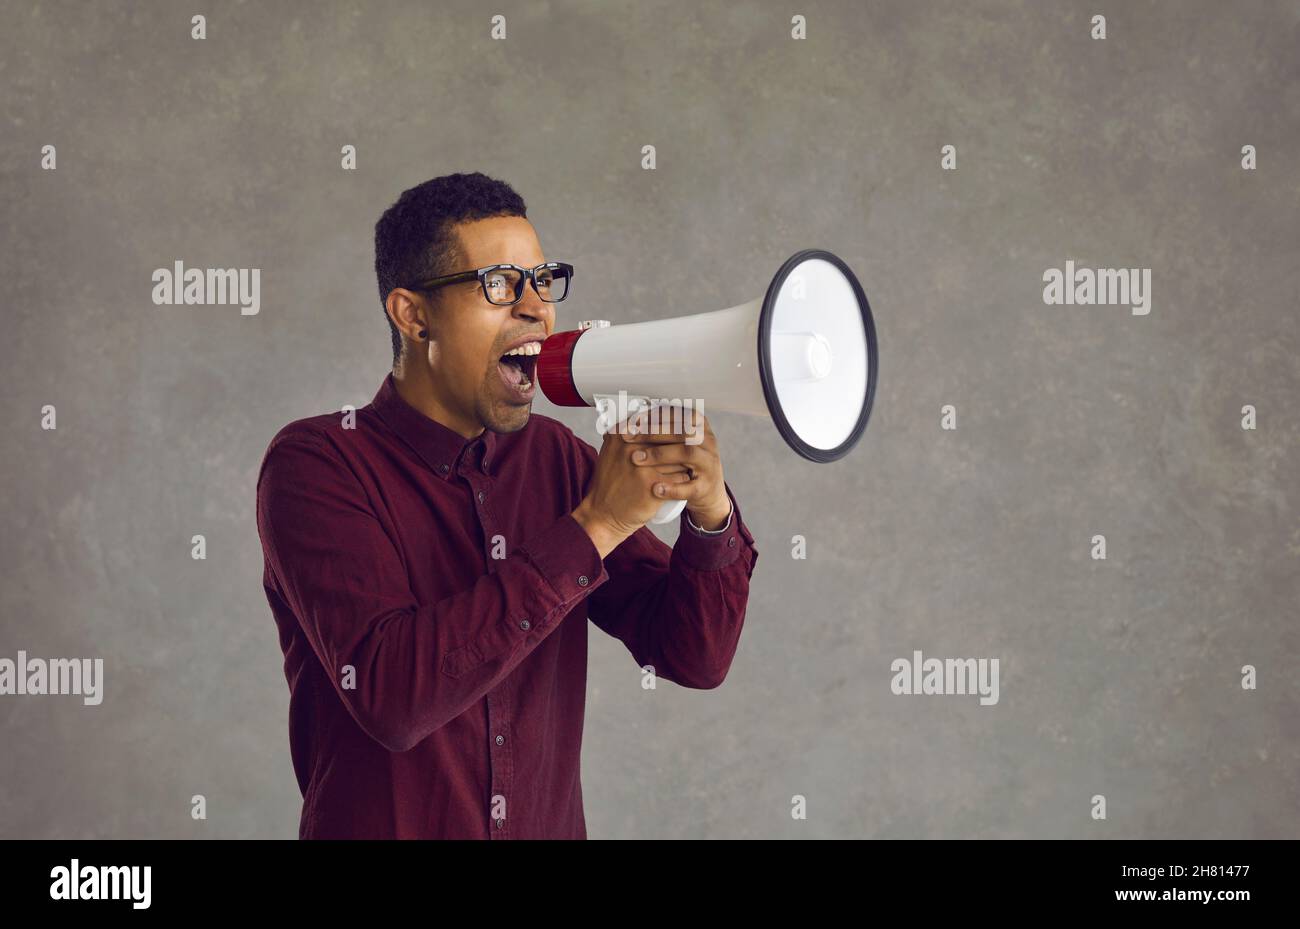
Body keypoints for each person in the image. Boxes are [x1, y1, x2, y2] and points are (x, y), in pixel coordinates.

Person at [255, 172, 759, 839]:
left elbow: (694, 656)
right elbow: (393, 697)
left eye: (542, 280)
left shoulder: (556, 460)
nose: (535, 309)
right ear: (413, 314)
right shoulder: (316, 464)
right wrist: (597, 525)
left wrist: (709, 515)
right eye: (499, 284)